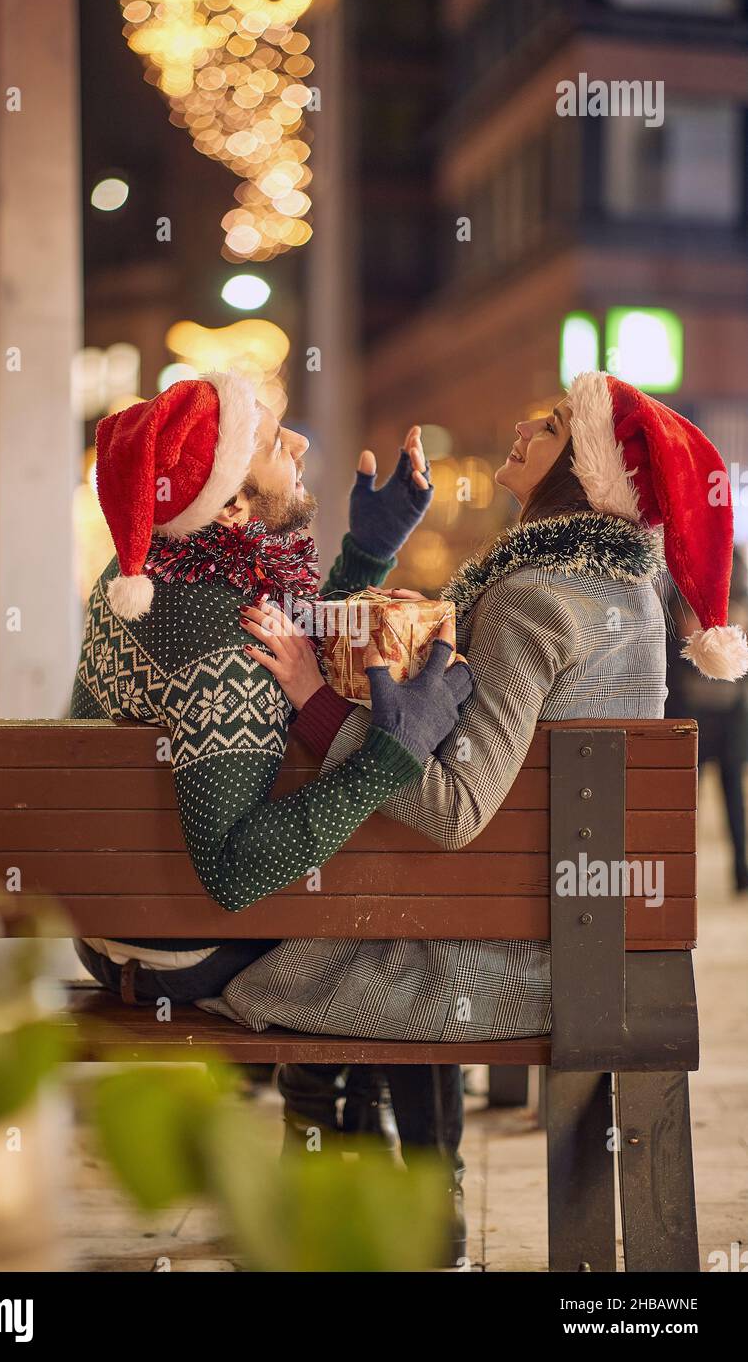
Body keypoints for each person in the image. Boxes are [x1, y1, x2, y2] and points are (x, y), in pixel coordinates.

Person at [201, 372, 748, 1236]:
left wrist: (315, 698)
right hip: (589, 943)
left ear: (590, 470)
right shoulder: (629, 596)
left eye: (559, 426)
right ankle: (398, 1188)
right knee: (375, 904)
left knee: (296, 940)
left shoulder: (529, 600)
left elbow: (456, 809)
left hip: (504, 965)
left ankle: (341, 1189)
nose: (528, 423)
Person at [68, 372, 472, 1242]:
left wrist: (366, 560)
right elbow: (233, 872)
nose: (300, 449)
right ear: (231, 509)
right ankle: (380, 1186)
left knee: (366, 900)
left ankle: (333, 1149)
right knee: (409, 913)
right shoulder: (230, 645)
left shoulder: (142, 575)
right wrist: (386, 764)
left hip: (107, 922)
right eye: (273, 443)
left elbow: (277, 633)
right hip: (175, 948)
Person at [665, 549, 748, 893]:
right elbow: (674, 647)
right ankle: (678, 875)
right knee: (687, 805)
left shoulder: (737, 591)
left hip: (729, 714)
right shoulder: (680, 592)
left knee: (732, 797)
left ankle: (741, 872)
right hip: (691, 717)